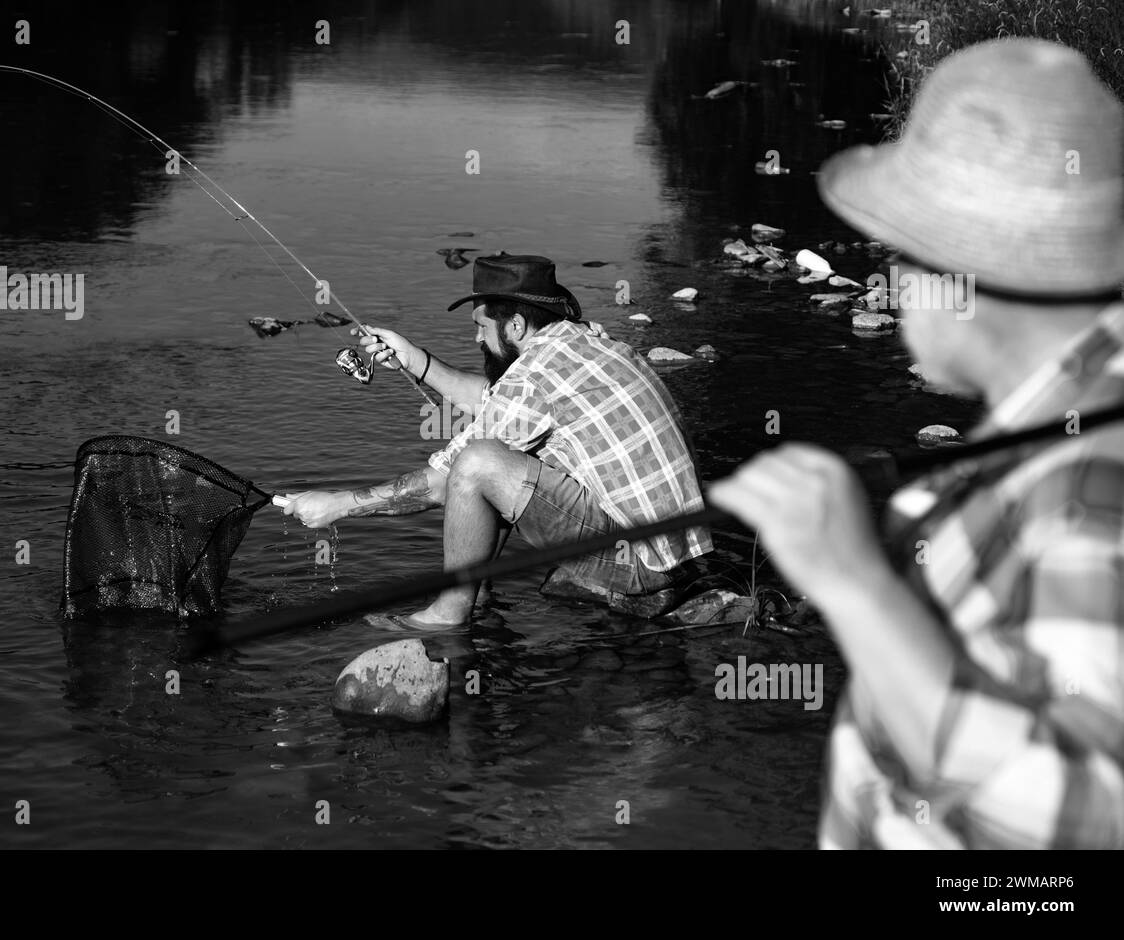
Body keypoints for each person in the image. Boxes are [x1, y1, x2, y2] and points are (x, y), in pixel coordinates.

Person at [709, 38, 1124, 848]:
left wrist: (856, 583)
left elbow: (1088, 814)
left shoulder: (1086, 490)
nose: (891, 281)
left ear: (961, 269)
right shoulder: (1080, 417)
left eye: (901, 250)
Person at [284, 252, 714, 628]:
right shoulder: (581, 343)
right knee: (510, 448)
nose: (476, 338)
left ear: (516, 325)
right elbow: (496, 405)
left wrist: (339, 504)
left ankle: (449, 614)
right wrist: (415, 360)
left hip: (641, 565)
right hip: (679, 550)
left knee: (477, 464)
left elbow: (443, 481)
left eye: (481, 327)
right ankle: (479, 594)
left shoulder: (534, 374)